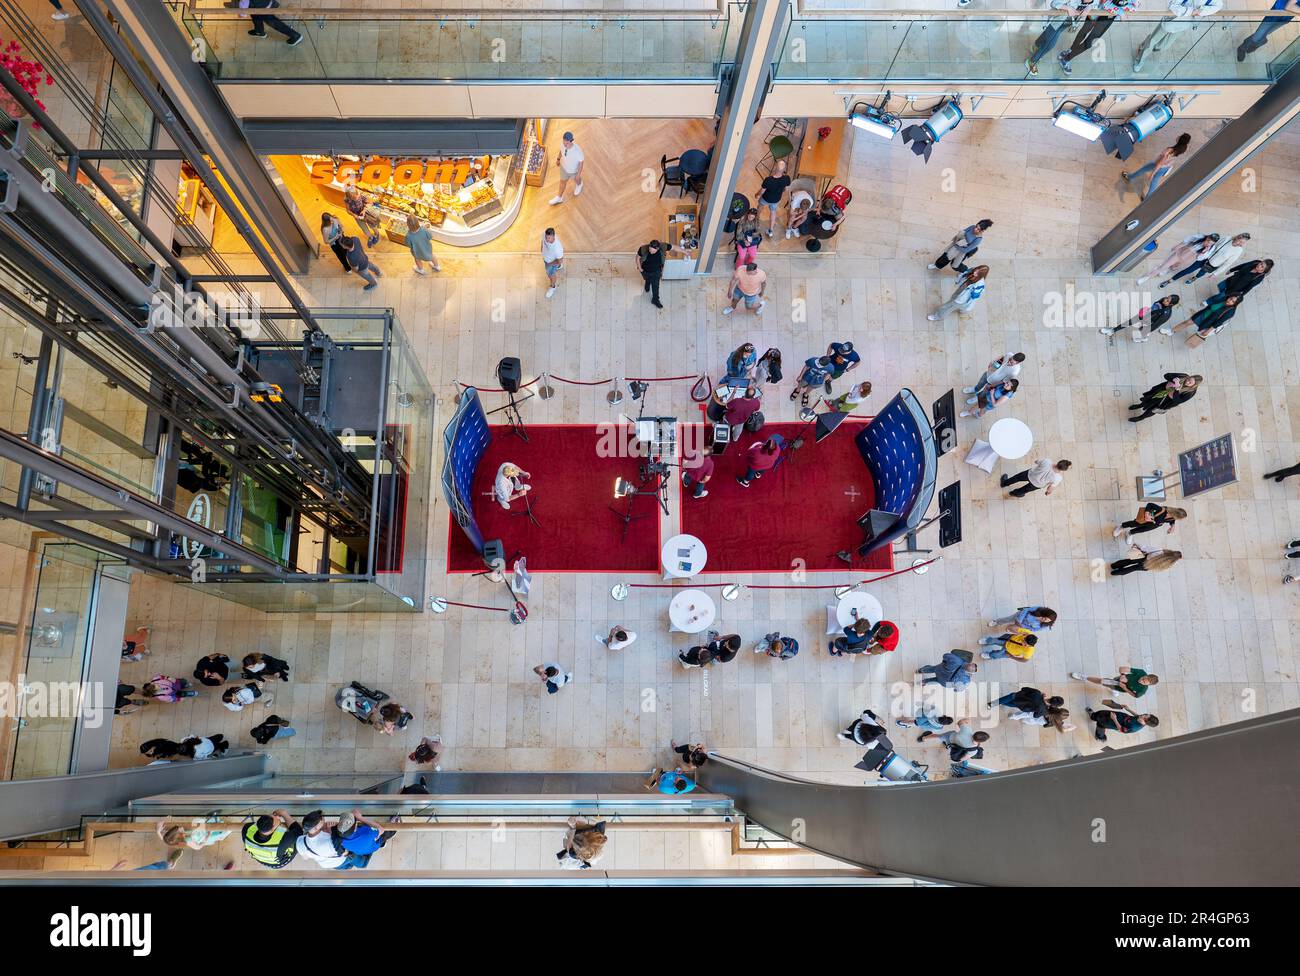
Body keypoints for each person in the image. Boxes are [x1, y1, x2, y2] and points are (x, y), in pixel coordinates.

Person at [1134, 0, 1222, 71]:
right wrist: (1192, 11)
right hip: (1172, 18)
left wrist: (1200, 10)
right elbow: (1173, 6)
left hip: (1183, 24)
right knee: (1152, 42)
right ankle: (1139, 60)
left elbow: (1218, 6)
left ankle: (1145, 44)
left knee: (1164, 46)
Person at [1058, 0, 1139, 73]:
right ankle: (1067, 56)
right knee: (1085, 33)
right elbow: (1106, 4)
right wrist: (1121, 12)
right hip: (1097, 10)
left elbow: (1135, 6)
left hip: (1107, 17)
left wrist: (1123, 9)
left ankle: (1068, 54)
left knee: (1089, 40)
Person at [1025, 0, 1093, 74]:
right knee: (1050, 44)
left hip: (1066, 24)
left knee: (1048, 36)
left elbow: (1098, 6)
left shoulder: (1094, 2)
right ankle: (1032, 61)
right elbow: (1054, 3)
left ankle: (1036, 46)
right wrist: (1068, 8)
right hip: (1055, 21)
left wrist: (1089, 8)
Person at [1162, 232, 1250, 286]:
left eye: (1241, 241)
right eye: (1238, 238)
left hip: (1212, 265)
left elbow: (1228, 264)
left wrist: (1215, 274)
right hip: (1205, 259)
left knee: (1200, 274)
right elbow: (1214, 244)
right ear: (1237, 236)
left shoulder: (1238, 251)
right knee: (1188, 270)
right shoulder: (1227, 238)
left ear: (1243, 243)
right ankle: (1171, 280)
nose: (1237, 241)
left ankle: (1194, 278)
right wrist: (1206, 249)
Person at [1121, 133, 1191, 199]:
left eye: (1180, 136)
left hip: (1158, 166)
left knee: (1144, 170)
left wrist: (1152, 174)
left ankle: (1130, 177)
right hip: (1166, 167)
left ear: (1180, 140)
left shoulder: (1169, 151)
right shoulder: (1182, 149)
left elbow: (1159, 164)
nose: (1178, 136)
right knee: (1154, 183)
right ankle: (1147, 200)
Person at [1138, 232, 1218, 285]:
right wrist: (1178, 246)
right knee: (1163, 266)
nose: (1208, 243)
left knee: (1173, 268)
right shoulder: (1200, 237)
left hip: (1187, 261)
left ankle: (1166, 270)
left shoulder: (1210, 249)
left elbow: (1199, 259)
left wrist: (1204, 252)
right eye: (1208, 240)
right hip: (1179, 254)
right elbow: (1187, 240)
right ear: (1207, 237)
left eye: (1211, 243)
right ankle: (1147, 277)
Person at [1101, 294, 1180, 342]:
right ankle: (1113, 330)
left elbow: (1156, 325)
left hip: (1150, 322)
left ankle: (1144, 338)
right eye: (1167, 297)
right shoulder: (1163, 299)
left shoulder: (1165, 314)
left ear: (1171, 304)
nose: (1165, 299)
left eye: (1168, 300)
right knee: (1129, 322)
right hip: (1145, 315)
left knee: (1142, 331)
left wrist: (1147, 329)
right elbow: (1153, 306)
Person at [1161, 293, 1240, 341]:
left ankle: (1174, 332)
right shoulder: (1223, 298)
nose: (1229, 301)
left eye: (1233, 301)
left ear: (1235, 304)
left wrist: (1208, 331)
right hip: (1203, 314)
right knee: (1187, 322)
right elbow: (1211, 305)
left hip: (1208, 322)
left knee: (1198, 334)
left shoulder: (1230, 312)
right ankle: (1171, 331)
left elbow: (1218, 322)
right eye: (1231, 298)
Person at [1128, 373, 1201, 422]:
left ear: (1193, 385)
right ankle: (1139, 405)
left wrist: (1176, 390)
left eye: (1190, 382)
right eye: (1188, 379)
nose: (1187, 382)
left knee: (1152, 410)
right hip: (1160, 391)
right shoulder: (1183, 376)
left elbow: (1178, 401)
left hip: (1166, 401)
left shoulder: (1190, 392)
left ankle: (1141, 417)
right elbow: (1166, 375)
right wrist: (1174, 380)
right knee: (1148, 399)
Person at [226, 0, 304, 45]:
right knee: (255, 16)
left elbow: (243, 10)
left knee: (273, 22)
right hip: (263, 4)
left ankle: (295, 35)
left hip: (261, 8)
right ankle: (259, 31)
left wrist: (241, 13)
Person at [928, 219, 992, 273]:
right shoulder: (972, 227)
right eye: (976, 227)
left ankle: (965, 271)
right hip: (957, 243)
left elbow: (967, 249)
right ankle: (937, 265)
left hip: (962, 251)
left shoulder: (978, 239)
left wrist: (957, 245)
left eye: (979, 229)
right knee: (946, 256)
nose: (975, 229)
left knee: (955, 265)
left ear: (982, 231)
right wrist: (958, 240)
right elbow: (963, 232)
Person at [1069, 667, 1159, 699]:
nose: (1141, 680)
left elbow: (1135, 696)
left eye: (1143, 682)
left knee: (1102, 681)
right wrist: (1123, 675)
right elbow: (1122, 668)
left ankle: (1084, 677)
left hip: (1121, 687)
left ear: (1148, 685)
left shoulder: (1142, 690)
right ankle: (1084, 677)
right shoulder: (1141, 672)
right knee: (1104, 682)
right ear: (1145, 675)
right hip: (1117, 680)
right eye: (1143, 678)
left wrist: (1124, 688)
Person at [1113, 503, 1186, 541]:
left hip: (1153, 525)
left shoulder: (1172, 518)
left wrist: (1173, 526)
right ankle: (1121, 526)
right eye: (1178, 517)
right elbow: (1150, 504)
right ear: (1175, 513)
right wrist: (1146, 513)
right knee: (1134, 523)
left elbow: (1172, 521)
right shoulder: (1162, 510)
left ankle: (1129, 533)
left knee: (1141, 530)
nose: (1176, 519)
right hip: (1146, 520)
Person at [1002, 458, 1071, 498]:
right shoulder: (1058, 478)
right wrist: (1048, 492)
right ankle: (1014, 493)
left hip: (1030, 474)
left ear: (1059, 462)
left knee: (1016, 478)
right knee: (1023, 490)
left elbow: (1036, 461)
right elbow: (1050, 488)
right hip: (1036, 485)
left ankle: (1004, 483)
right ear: (1063, 470)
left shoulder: (1047, 461)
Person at [1087, 704, 1158, 741]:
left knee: (1100, 723)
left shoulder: (1134, 728)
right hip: (1119, 716)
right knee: (1101, 712)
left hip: (1113, 722)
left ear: (1145, 722)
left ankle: (1100, 737)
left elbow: (1121, 729)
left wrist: (1114, 719)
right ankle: (1093, 716)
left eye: (1145, 716)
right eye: (1146, 714)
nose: (1143, 715)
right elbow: (1137, 715)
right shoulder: (1142, 717)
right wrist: (1128, 709)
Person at [157, 817, 232, 852]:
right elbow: (198, 847)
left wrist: (158, 832)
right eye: (178, 830)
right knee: (224, 830)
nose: (179, 828)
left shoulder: (173, 841)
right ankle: (223, 832)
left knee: (196, 821)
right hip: (205, 835)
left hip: (198, 830)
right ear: (179, 836)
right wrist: (209, 834)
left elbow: (167, 842)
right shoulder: (188, 840)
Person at [758, 160, 792, 236]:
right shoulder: (787, 178)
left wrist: (757, 195)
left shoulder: (768, 180)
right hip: (776, 200)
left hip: (765, 198)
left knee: (760, 207)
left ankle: (756, 219)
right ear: (784, 169)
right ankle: (770, 231)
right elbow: (786, 189)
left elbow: (762, 192)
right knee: (773, 213)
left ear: (775, 168)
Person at [549, 131, 584, 204]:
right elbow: (561, 151)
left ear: (571, 141)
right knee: (562, 182)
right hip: (564, 168)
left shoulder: (577, 151)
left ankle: (579, 184)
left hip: (573, 171)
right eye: (564, 142)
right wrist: (558, 159)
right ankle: (559, 197)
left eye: (566, 143)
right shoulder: (563, 145)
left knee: (577, 179)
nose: (565, 144)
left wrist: (578, 174)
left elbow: (581, 162)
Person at [990, 686, 1061, 720]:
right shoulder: (1043, 710)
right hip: (1021, 706)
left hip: (1017, 696)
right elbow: (1035, 716)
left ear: (1052, 697)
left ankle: (992, 704)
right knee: (1010, 703)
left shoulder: (1037, 693)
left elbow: (1024, 688)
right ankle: (997, 703)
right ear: (1053, 706)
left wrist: (1041, 696)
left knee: (1009, 698)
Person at [636, 239, 667, 308]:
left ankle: (655, 300)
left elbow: (674, 247)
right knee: (647, 279)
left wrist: (685, 252)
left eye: (652, 250)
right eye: (650, 249)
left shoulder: (662, 248)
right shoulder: (643, 249)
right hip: (645, 271)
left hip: (656, 272)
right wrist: (641, 270)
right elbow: (637, 258)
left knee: (655, 286)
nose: (650, 251)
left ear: (657, 249)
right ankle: (647, 283)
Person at [1110, 548, 1183, 576]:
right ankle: (1115, 573)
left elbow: (1149, 551)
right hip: (1148, 566)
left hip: (1144, 558)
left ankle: (1114, 565)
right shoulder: (1169, 564)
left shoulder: (1162, 551)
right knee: (1132, 569)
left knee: (1129, 561)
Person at [987, 606, 1057, 632]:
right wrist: (1019, 621)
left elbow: (1033, 629)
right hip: (1019, 617)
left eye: (1048, 620)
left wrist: (1022, 627)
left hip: (1023, 625)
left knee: (1016, 630)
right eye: (1045, 618)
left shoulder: (1044, 625)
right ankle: (996, 622)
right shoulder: (1039, 609)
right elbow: (1026, 610)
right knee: (1007, 619)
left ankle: (1009, 628)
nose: (1045, 620)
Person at [541, 227, 564, 299]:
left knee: (551, 275)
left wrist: (550, 264)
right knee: (556, 266)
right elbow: (542, 241)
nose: (547, 240)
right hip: (547, 259)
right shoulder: (544, 234)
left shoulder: (557, 248)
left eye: (549, 238)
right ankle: (559, 266)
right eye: (546, 238)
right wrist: (541, 248)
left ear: (554, 236)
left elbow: (560, 260)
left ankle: (553, 287)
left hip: (550, 263)